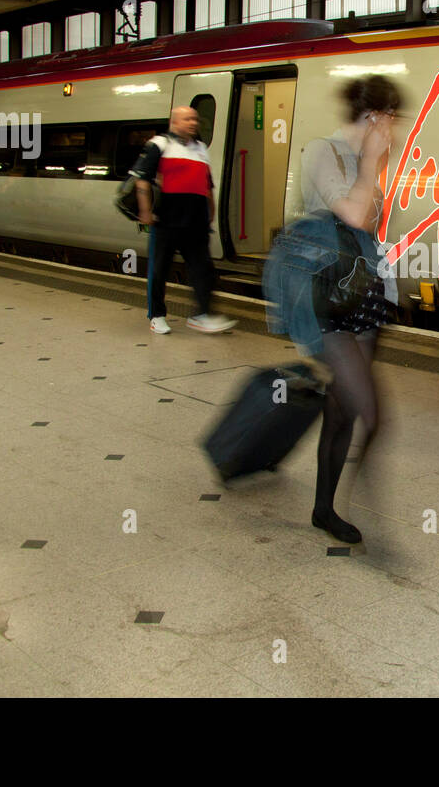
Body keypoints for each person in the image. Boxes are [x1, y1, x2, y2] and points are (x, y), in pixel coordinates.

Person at [268, 75, 402, 543]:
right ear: (374, 116)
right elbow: (353, 215)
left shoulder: (371, 158)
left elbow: (372, 229)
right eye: (390, 118)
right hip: (325, 299)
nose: (394, 129)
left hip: (361, 296)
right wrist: (370, 163)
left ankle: (324, 509)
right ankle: (368, 507)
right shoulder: (321, 151)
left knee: (344, 408)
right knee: (372, 412)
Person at [134, 106, 236, 334]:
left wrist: (211, 212)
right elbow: (143, 180)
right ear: (175, 121)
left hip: (196, 221)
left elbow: (207, 185)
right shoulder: (159, 145)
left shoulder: (200, 148)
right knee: (160, 269)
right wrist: (146, 211)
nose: (192, 122)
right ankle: (157, 315)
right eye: (187, 119)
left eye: (195, 119)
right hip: (167, 219)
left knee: (203, 269)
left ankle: (203, 314)